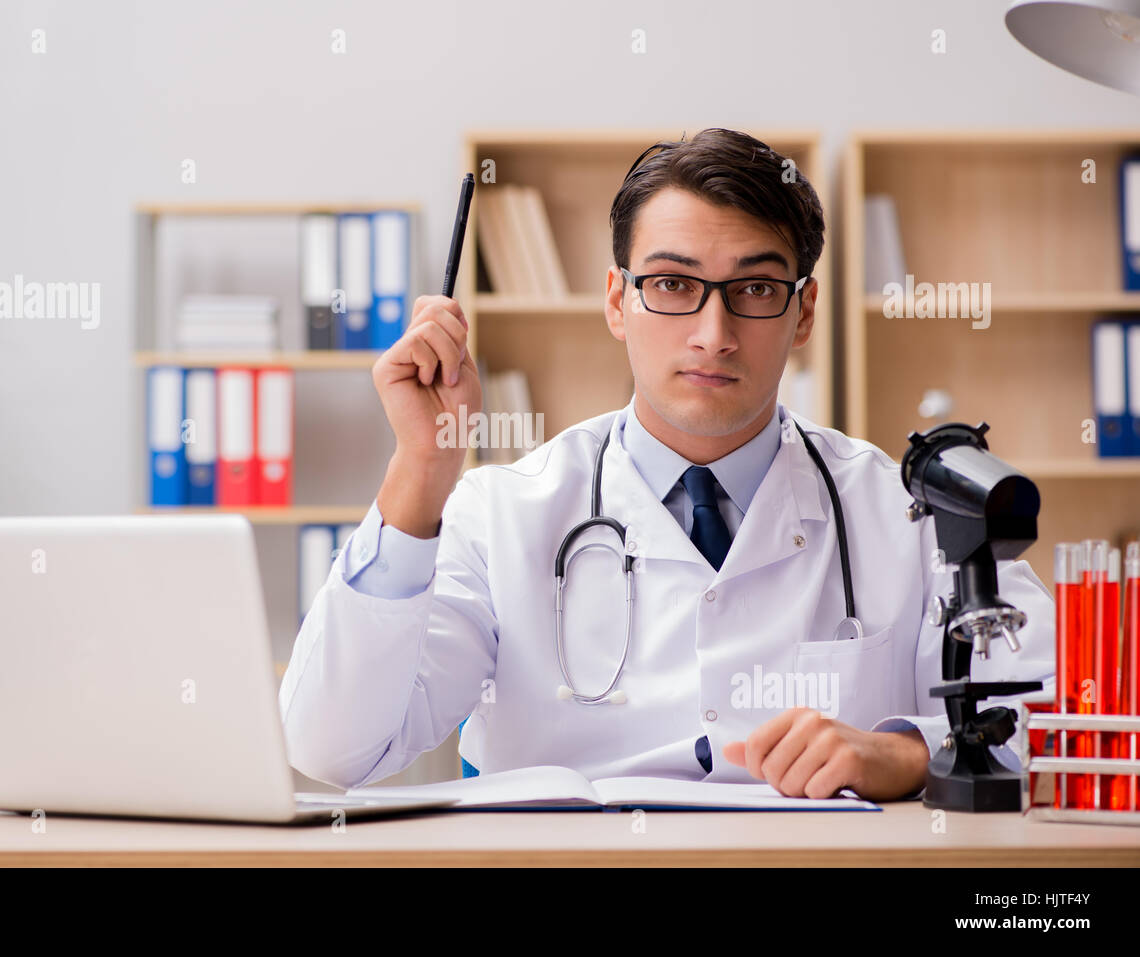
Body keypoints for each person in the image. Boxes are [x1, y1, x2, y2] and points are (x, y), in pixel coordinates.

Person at [279, 128, 1054, 801]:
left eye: (754, 288)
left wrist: (914, 751)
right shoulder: (498, 515)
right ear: (617, 300)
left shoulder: (905, 509)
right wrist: (419, 470)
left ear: (805, 310)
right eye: (674, 285)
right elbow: (332, 748)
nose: (713, 333)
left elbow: (1060, 715)